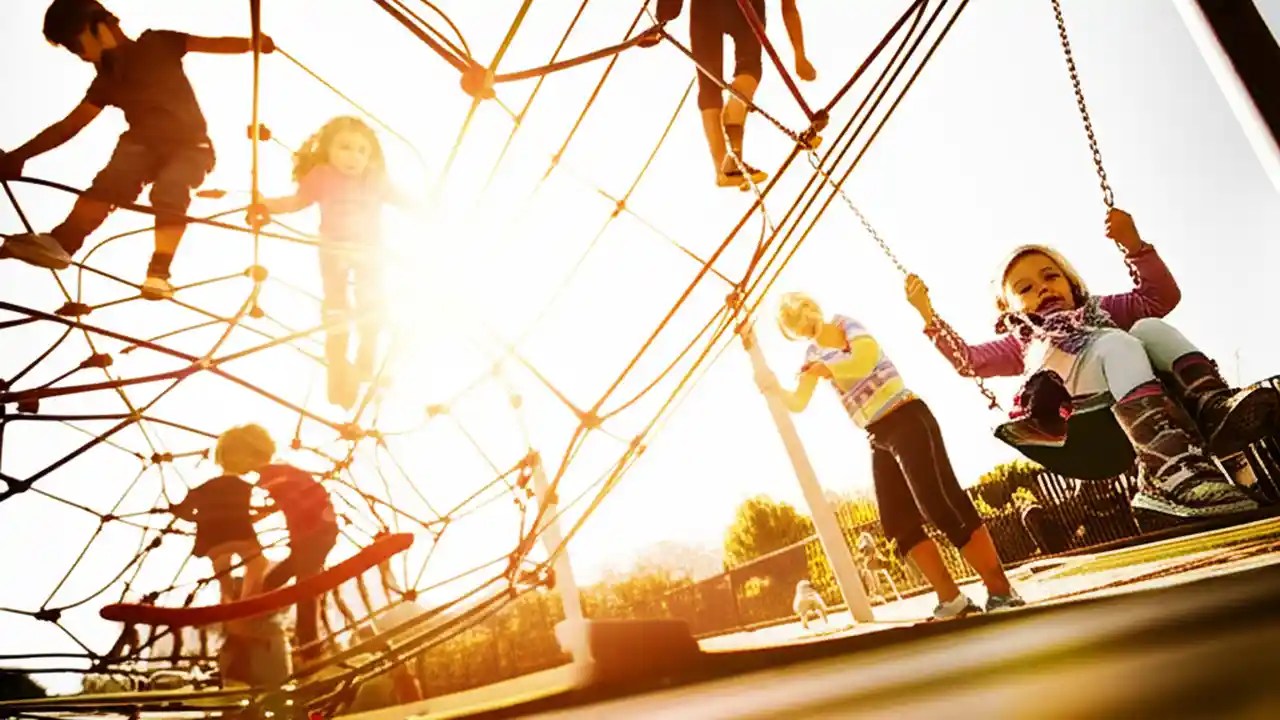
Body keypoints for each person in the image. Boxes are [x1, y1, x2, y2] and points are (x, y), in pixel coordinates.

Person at [904, 208, 1274, 519]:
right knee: (1117, 342)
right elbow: (968, 361)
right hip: (1082, 419)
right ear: (1009, 308)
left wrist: (1134, 245)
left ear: (1071, 283)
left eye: (1050, 277)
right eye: (1026, 289)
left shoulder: (1099, 311)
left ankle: (1209, 406)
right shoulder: (1023, 341)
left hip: (1134, 404)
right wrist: (928, 317)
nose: (1043, 288)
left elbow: (1160, 296)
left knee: (1149, 326)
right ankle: (1169, 472)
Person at [757, 293, 1024, 618]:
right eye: (794, 326)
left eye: (803, 314)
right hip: (877, 433)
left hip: (906, 415)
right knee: (897, 522)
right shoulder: (812, 356)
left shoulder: (845, 325)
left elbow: (864, 361)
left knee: (939, 503)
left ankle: (1000, 589)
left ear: (813, 308)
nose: (804, 325)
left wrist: (825, 369)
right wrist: (774, 387)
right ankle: (952, 599)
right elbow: (798, 402)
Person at [0, 0, 273, 299]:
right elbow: (70, 126)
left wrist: (251, 44)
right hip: (143, 144)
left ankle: (159, 272)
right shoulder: (107, 82)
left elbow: (210, 44)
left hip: (190, 146)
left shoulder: (157, 43)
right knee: (112, 182)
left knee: (170, 190)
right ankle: (63, 242)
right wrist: (19, 155)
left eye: (78, 46)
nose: (81, 57)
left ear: (101, 27)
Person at [247, 116, 413, 409]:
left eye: (362, 151)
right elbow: (297, 201)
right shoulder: (322, 176)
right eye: (345, 148)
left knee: (370, 296)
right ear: (329, 149)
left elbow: (401, 198)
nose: (354, 157)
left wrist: (426, 207)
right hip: (334, 246)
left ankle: (367, 351)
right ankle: (338, 351)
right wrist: (267, 205)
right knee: (336, 298)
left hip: (368, 247)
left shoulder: (374, 178)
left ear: (370, 156)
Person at [655, 0, 815, 188]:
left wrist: (661, 18)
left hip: (714, 9)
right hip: (731, 9)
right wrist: (799, 55)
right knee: (745, 71)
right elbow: (788, 7)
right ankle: (728, 161)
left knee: (712, 86)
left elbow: (789, 7)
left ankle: (726, 167)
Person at [214, 423, 338, 662]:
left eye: (231, 460)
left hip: (314, 537)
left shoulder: (274, 474)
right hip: (311, 536)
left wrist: (242, 513)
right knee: (275, 583)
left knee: (306, 588)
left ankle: (310, 648)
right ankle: (261, 632)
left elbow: (293, 496)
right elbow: (294, 498)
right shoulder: (278, 473)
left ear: (246, 454)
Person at [168, 473, 267, 606]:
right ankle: (246, 601)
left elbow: (182, 510)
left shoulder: (203, 488)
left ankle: (228, 603)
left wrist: (199, 518)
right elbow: (243, 516)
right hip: (241, 537)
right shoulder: (243, 486)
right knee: (258, 563)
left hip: (212, 543)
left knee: (223, 574)